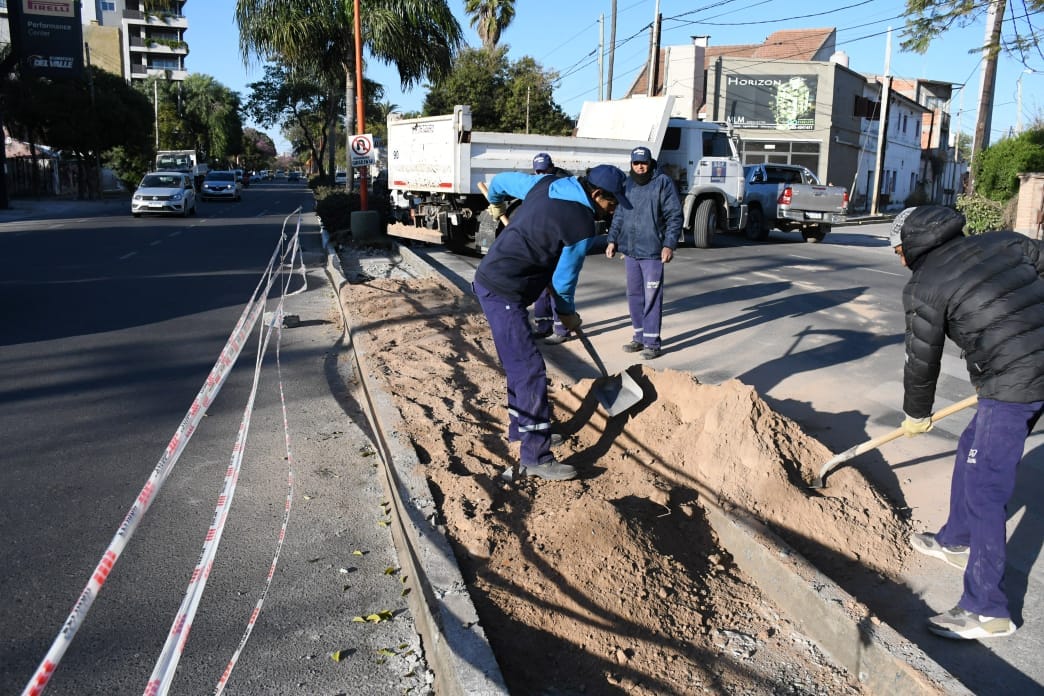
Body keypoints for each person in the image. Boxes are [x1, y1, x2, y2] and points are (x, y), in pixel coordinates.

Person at [893, 205, 1044, 640]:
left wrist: (916, 413)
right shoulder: (1005, 241)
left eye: (897, 252)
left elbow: (922, 362)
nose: (899, 262)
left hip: (1013, 384)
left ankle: (986, 611)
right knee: (971, 446)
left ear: (909, 246)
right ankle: (955, 540)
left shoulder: (925, 285)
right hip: (1025, 371)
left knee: (985, 488)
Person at [474, 164, 631, 481]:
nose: (613, 210)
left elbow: (500, 181)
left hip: (494, 281)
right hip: (504, 291)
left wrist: (496, 204)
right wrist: (567, 313)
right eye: (612, 202)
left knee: (519, 365)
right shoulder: (581, 224)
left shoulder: (546, 183)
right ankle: (535, 456)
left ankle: (523, 429)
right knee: (529, 369)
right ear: (596, 194)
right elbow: (563, 281)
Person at [604, 146, 683, 360]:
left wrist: (669, 244)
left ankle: (652, 343)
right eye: (636, 163)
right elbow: (619, 214)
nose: (640, 167)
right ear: (631, 164)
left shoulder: (662, 182)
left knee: (652, 297)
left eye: (644, 163)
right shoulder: (627, 184)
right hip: (630, 251)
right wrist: (612, 240)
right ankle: (639, 337)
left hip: (653, 252)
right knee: (634, 296)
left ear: (650, 163)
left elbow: (674, 215)